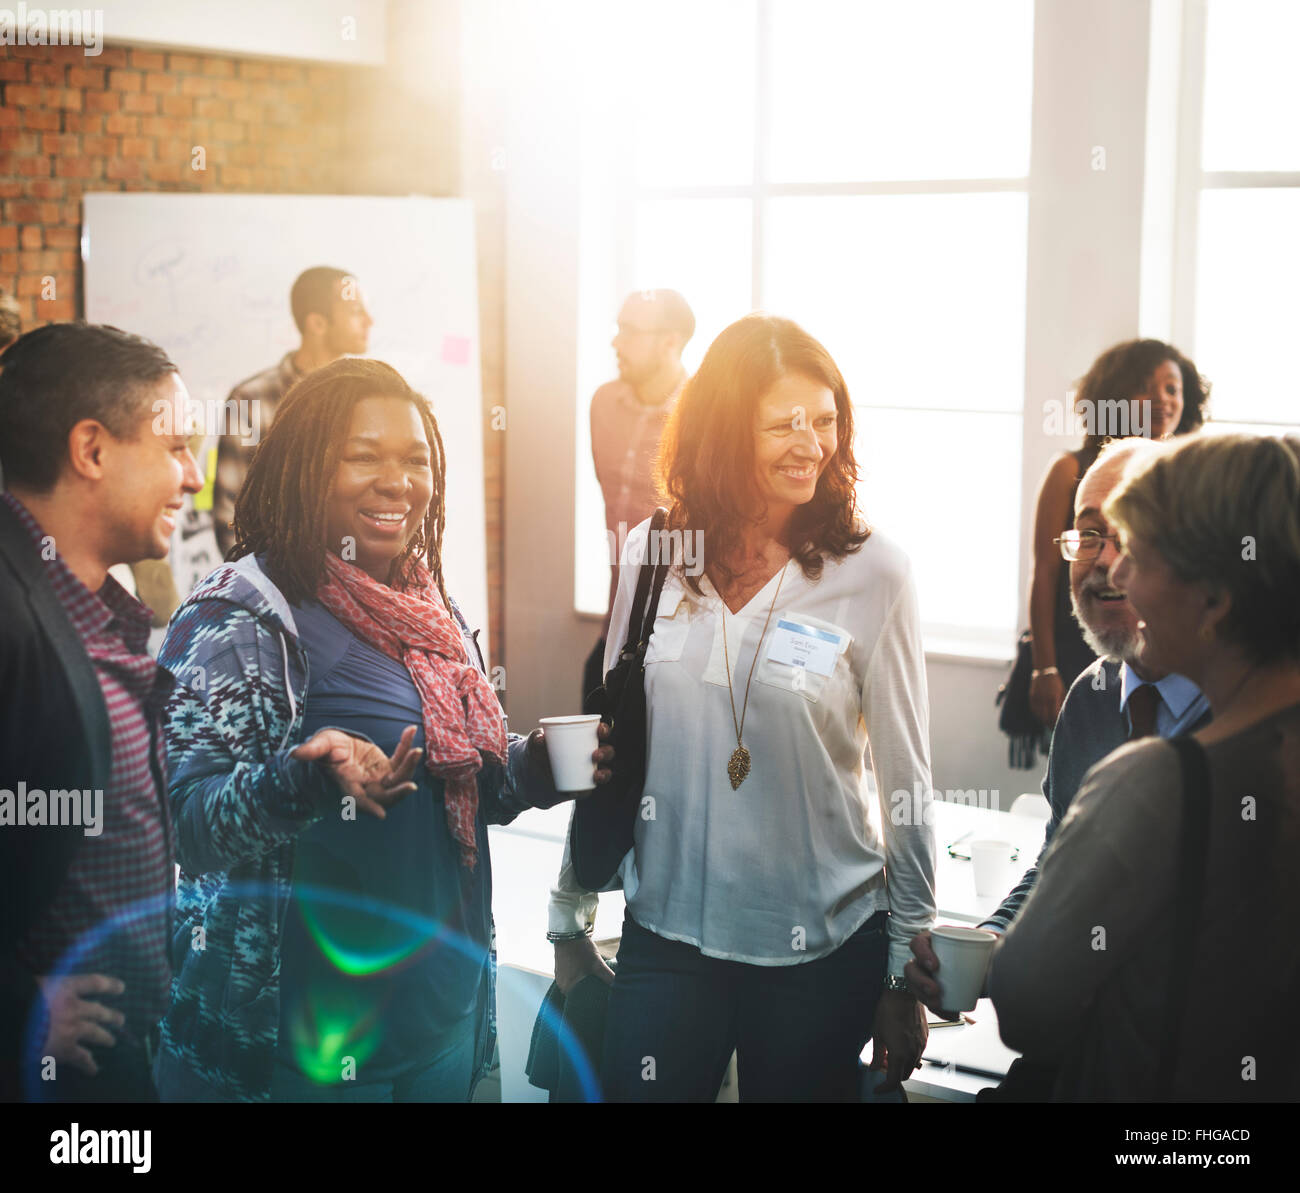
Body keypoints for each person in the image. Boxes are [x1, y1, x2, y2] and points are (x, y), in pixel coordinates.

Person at [153, 358, 613, 1103]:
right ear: (306, 467)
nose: (396, 481)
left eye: (415, 460)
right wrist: (302, 778)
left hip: (445, 1020)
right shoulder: (243, 615)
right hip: (301, 1044)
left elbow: (474, 789)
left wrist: (549, 763)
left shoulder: (430, 612)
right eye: (363, 455)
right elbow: (186, 823)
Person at [552, 313, 936, 1102]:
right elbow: (608, 745)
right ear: (724, 433)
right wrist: (569, 911)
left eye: (826, 421)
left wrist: (904, 969)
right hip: (668, 938)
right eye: (784, 424)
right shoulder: (654, 554)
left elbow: (908, 782)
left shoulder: (875, 573)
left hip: (821, 951)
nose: (812, 443)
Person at [990, 432, 1300, 1100]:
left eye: (1142, 549)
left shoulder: (1160, 780)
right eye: (1092, 536)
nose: (1117, 571)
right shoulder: (1097, 699)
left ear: (1215, 596)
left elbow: (1026, 1005)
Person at [906, 437, 1211, 1096]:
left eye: (1126, 534)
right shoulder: (1092, 696)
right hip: (1074, 1059)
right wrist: (983, 944)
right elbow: (1055, 866)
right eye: (1088, 534)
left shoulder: (1243, 717)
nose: (1103, 563)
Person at [0, 323, 204, 1101]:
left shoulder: (92, 611)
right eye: (175, 445)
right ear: (91, 450)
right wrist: (18, 1005)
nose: (192, 476)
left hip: (119, 1066)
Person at [1025, 339, 1209, 733]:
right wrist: (1045, 665)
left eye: (1172, 388)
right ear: (1115, 396)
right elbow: (1044, 572)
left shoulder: (1192, 479)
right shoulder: (1069, 470)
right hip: (1080, 635)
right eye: (1146, 386)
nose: (1162, 399)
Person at [212, 266, 373, 557]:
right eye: (355, 311)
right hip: (276, 586)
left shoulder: (371, 402)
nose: (369, 321)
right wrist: (266, 588)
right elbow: (229, 513)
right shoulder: (251, 399)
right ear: (317, 323)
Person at [581, 289, 694, 703]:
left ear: (671, 340)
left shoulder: (701, 416)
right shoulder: (603, 404)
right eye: (617, 329)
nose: (616, 342)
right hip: (616, 618)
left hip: (675, 630)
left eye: (630, 331)